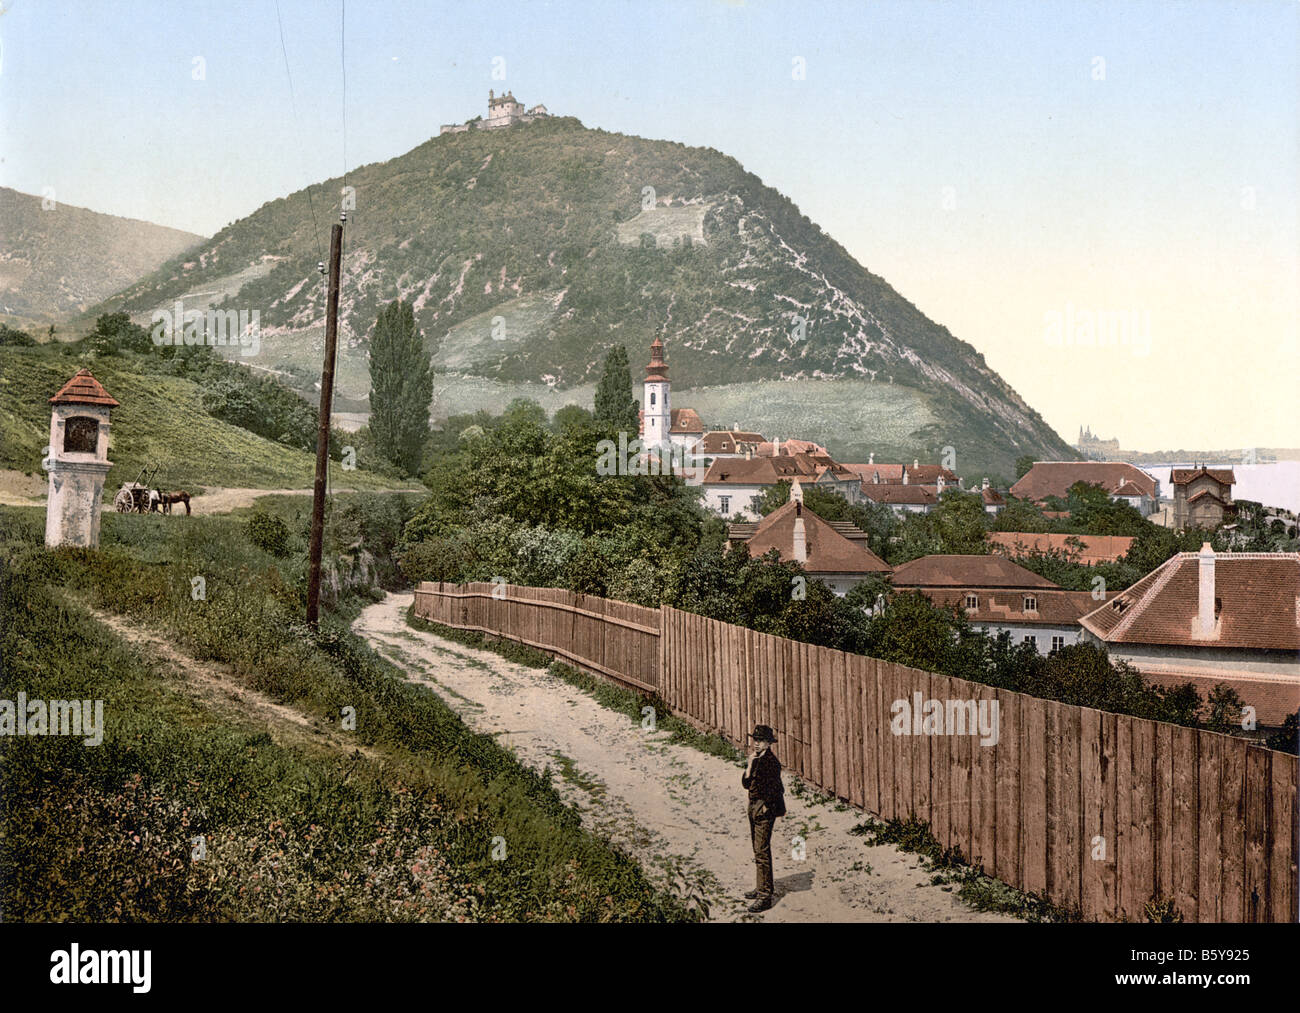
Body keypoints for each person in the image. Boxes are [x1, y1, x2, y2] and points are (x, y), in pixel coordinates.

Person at [741, 723, 785, 913]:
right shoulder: (757, 759)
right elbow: (746, 783)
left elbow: (778, 790)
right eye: (755, 740)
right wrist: (750, 764)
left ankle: (765, 896)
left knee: (761, 851)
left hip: (763, 808)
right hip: (753, 806)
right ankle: (762, 887)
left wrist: (766, 807)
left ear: (769, 743)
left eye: (761, 741)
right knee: (757, 850)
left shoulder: (771, 763)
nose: (756, 744)